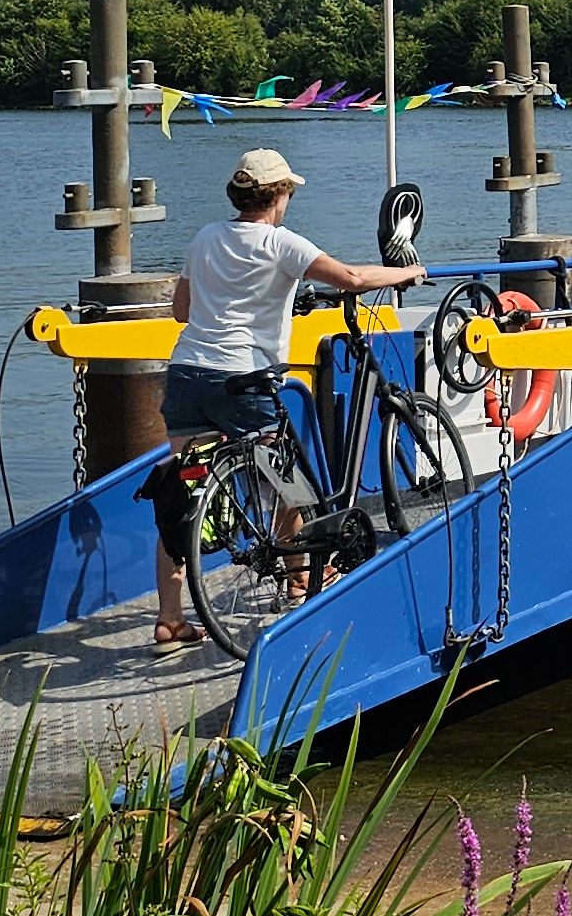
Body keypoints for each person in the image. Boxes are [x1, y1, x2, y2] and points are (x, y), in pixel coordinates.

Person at [149, 146, 423, 646]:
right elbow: (353, 278)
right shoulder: (281, 243)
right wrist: (408, 273)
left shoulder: (205, 236)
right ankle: (299, 579)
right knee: (282, 480)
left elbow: (181, 311)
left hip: (187, 374)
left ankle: (170, 619)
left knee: (180, 497)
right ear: (279, 196)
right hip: (243, 378)